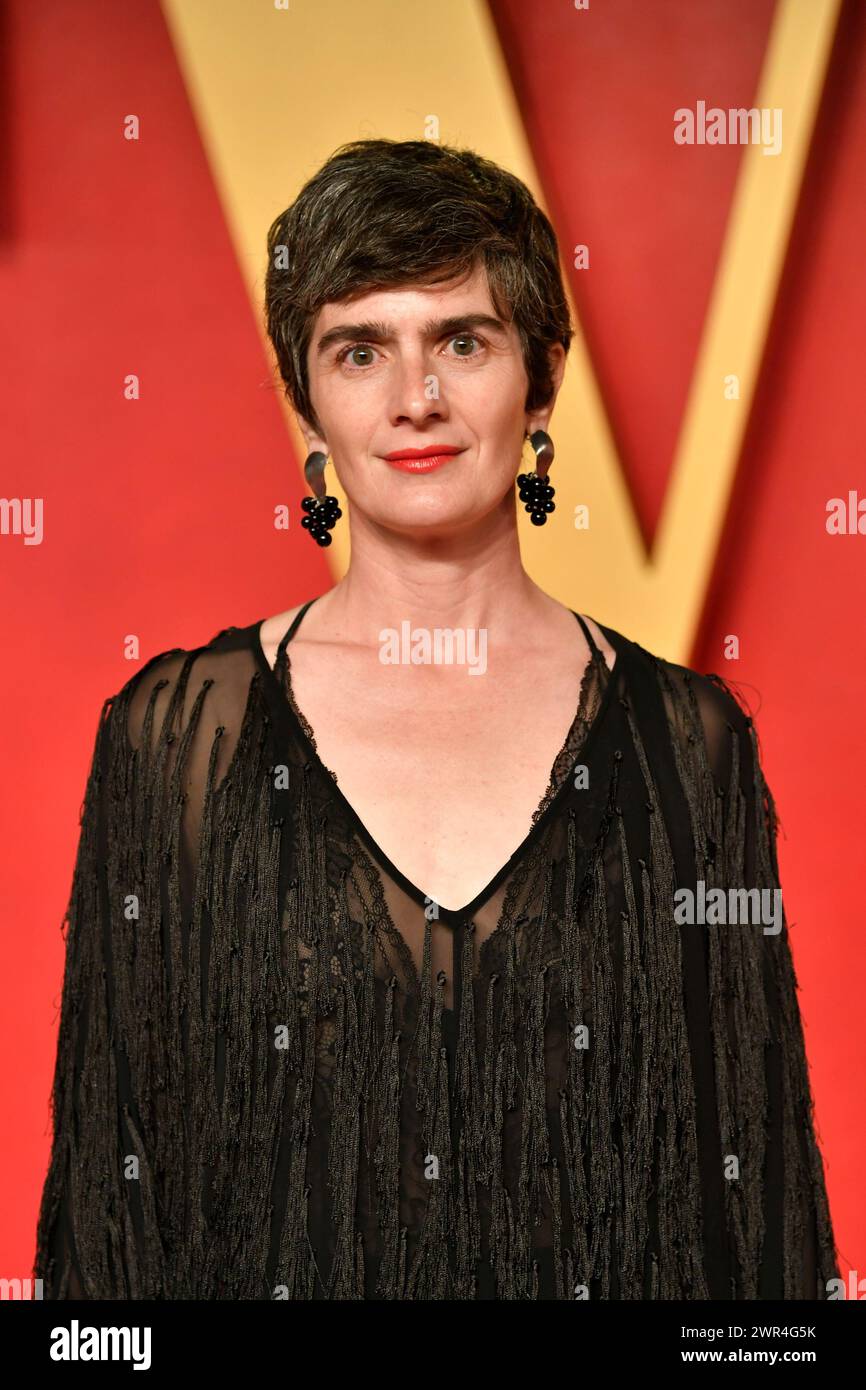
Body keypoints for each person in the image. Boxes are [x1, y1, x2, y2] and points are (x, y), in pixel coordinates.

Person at [35, 138, 837, 1300]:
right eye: (359, 349)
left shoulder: (688, 745)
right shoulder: (175, 740)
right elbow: (110, 1229)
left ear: (541, 378)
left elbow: (757, 1217)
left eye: (461, 341)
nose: (416, 398)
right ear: (306, 402)